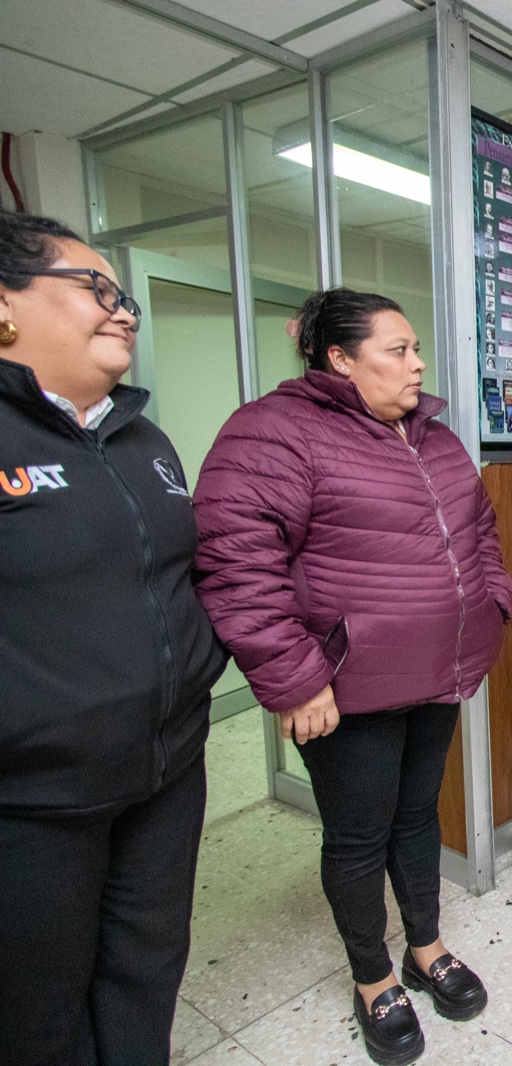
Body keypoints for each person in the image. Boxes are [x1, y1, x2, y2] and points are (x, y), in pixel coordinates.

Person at [193, 288, 512, 1066]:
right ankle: (374, 978)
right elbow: (236, 566)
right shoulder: (271, 432)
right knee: (360, 833)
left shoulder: (431, 437)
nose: (418, 363)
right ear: (339, 358)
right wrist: (297, 680)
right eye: (398, 350)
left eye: (415, 348)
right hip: (346, 689)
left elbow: (479, 532)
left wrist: (493, 606)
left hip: (439, 671)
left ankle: (426, 948)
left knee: (416, 818)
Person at [0, 212, 227, 1066]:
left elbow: (183, 575)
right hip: (34, 801)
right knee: (36, 1007)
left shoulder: (143, 438)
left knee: (145, 973)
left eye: (125, 295)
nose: (123, 310)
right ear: (6, 306)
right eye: (95, 289)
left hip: (166, 774)